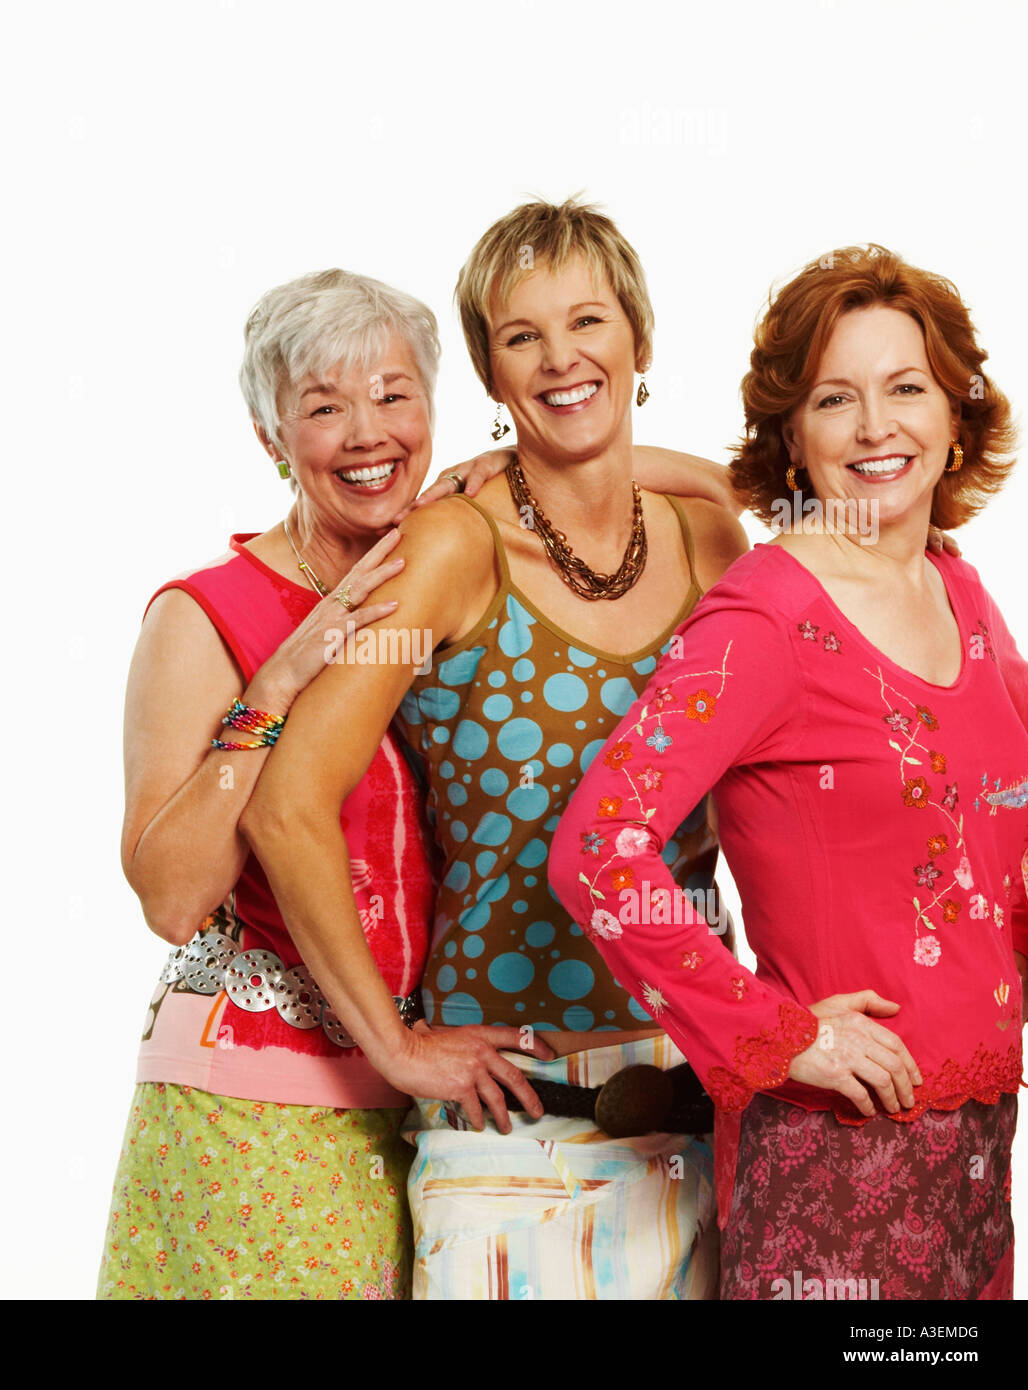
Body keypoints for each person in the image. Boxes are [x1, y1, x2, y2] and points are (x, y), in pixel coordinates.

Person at [96, 265, 725, 1299]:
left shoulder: (444, 567)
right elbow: (170, 897)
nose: (365, 433)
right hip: (267, 1102)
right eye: (323, 406)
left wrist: (534, 455)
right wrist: (278, 681)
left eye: (392, 396)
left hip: (442, 1106)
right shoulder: (204, 610)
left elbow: (736, 485)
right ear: (270, 438)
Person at [547, 244, 1028, 1300]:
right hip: (834, 1161)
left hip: (979, 1152)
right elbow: (596, 849)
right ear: (792, 436)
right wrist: (777, 1034)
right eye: (832, 399)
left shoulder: (961, 591)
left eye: (906, 388)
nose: (874, 427)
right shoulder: (765, 618)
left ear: (956, 416)